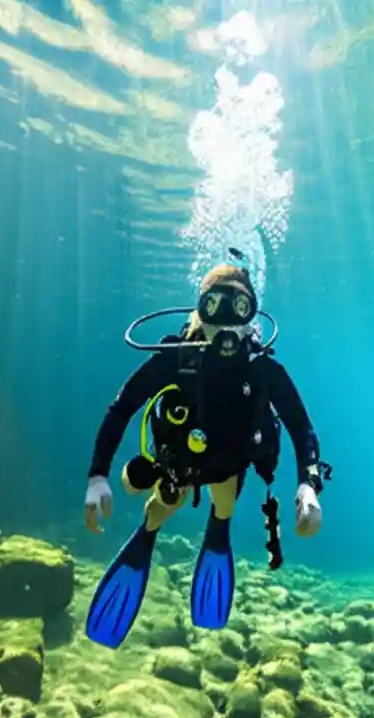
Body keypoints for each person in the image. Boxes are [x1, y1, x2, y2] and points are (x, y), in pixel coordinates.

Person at [82, 258, 331, 648]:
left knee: (224, 504)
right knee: (159, 508)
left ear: (252, 316)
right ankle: (150, 535)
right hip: (177, 468)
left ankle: (218, 529)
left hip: (227, 470)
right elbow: (122, 408)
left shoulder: (261, 370)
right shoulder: (176, 360)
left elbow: (302, 426)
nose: (227, 320)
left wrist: (308, 484)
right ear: (200, 310)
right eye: (214, 305)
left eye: (240, 307)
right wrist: (97, 476)